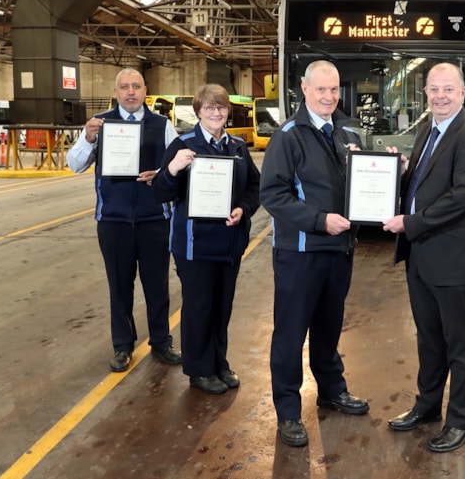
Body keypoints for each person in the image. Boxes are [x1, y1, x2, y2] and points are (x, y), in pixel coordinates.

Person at [382, 62, 465, 453]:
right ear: (425, 93)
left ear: (463, 93)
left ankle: (461, 420)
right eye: (434, 89)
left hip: (450, 257)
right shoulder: (429, 127)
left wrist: (409, 223)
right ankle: (427, 407)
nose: (440, 96)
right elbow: (426, 183)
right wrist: (402, 172)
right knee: (429, 340)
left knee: (459, 344)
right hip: (421, 257)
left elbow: (462, 196)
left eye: (448, 90)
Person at [259, 60, 369, 448]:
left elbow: (366, 180)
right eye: (321, 89)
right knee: (290, 334)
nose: (328, 97)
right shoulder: (288, 136)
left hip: (339, 250)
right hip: (301, 251)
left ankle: (331, 390)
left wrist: (394, 171)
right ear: (303, 89)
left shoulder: (351, 129)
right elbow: (273, 194)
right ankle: (288, 411)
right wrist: (320, 221)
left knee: (330, 326)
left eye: (334, 89)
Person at [66, 68, 182, 373]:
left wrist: (161, 174)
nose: (130, 92)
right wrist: (89, 139)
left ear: (145, 91)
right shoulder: (99, 124)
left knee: (157, 285)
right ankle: (122, 346)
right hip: (113, 221)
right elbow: (75, 165)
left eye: (136, 86)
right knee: (119, 286)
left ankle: (161, 341)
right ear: (115, 92)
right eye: (124, 87)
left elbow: (178, 166)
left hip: (155, 219)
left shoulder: (162, 125)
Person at [152, 84, 261, 394]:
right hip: (194, 245)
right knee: (199, 306)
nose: (216, 113)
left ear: (228, 111)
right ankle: (200, 370)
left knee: (222, 307)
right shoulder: (183, 145)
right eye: (210, 108)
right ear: (198, 111)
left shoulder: (238, 147)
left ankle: (219, 363)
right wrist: (173, 168)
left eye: (221, 107)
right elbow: (160, 192)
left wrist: (243, 208)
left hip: (229, 242)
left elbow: (254, 188)